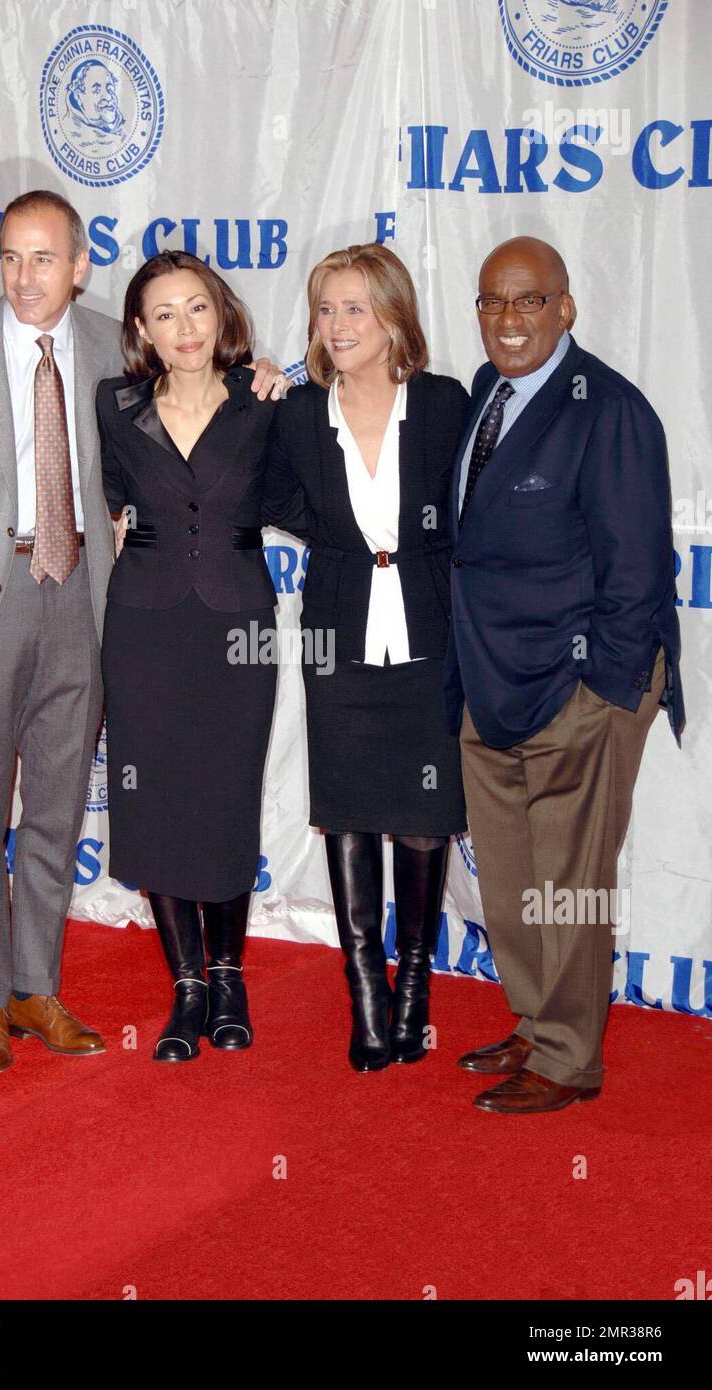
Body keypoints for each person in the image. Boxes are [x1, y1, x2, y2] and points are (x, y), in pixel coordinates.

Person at [0, 191, 282, 1076]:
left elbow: (199, 400)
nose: (24, 278)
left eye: (42, 259)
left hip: (89, 604)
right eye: (10, 258)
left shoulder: (118, 345)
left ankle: (37, 986)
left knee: (59, 814)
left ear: (78, 265)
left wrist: (264, 376)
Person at [444, 235, 684, 1114]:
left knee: (567, 885)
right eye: (490, 303)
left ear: (566, 308)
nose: (507, 321)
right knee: (510, 879)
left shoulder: (608, 410)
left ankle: (569, 1059)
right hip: (491, 676)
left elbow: (637, 574)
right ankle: (535, 1019)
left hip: (579, 685)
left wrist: (601, 698)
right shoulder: (485, 394)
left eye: (528, 302)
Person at [263, 243, 469, 1072]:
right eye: (324, 308)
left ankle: (414, 986)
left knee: (423, 821)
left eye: (355, 308)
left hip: (429, 634)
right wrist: (346, 544)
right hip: (338, 633)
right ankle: (366, 993)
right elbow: (269, 493)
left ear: (392, 317)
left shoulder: (447, 404)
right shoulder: (298, 412)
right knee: (347, 810)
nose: (337, 325)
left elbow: (471, 509)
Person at [97, 251, 282, 1063]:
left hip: (239, 626)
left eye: (196, 308)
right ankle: (187, 988)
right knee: (155, 801)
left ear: (222, 313)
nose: (183, 329)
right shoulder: (116, 404)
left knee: (225, 796)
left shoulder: (267, 401)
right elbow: (103, 490)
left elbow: (308, 494)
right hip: (143, 627)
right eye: (163, 314)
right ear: (140, 328)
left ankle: (231, 975)